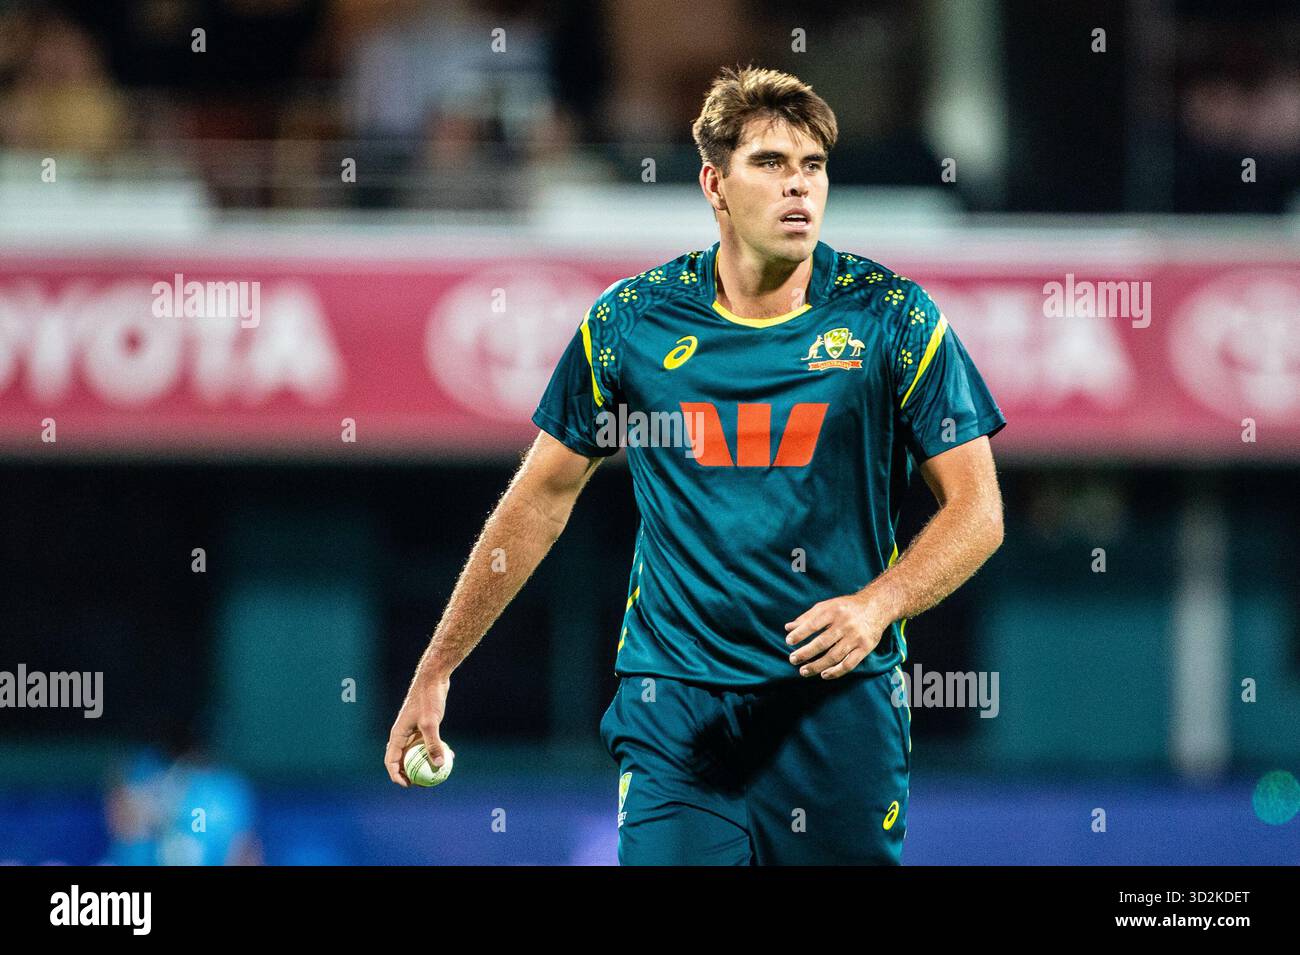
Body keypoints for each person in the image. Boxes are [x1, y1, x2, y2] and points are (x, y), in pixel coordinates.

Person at [385, 65, 1006, 864]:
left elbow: (978, 509)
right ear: (714, 183)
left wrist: (878, 604)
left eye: (813, 166)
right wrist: (439, 665)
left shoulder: (893, 317)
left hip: (839, 709)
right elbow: (538, 498)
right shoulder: (630, 323)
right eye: (771, 164)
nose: (799, 189)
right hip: (676, 705)